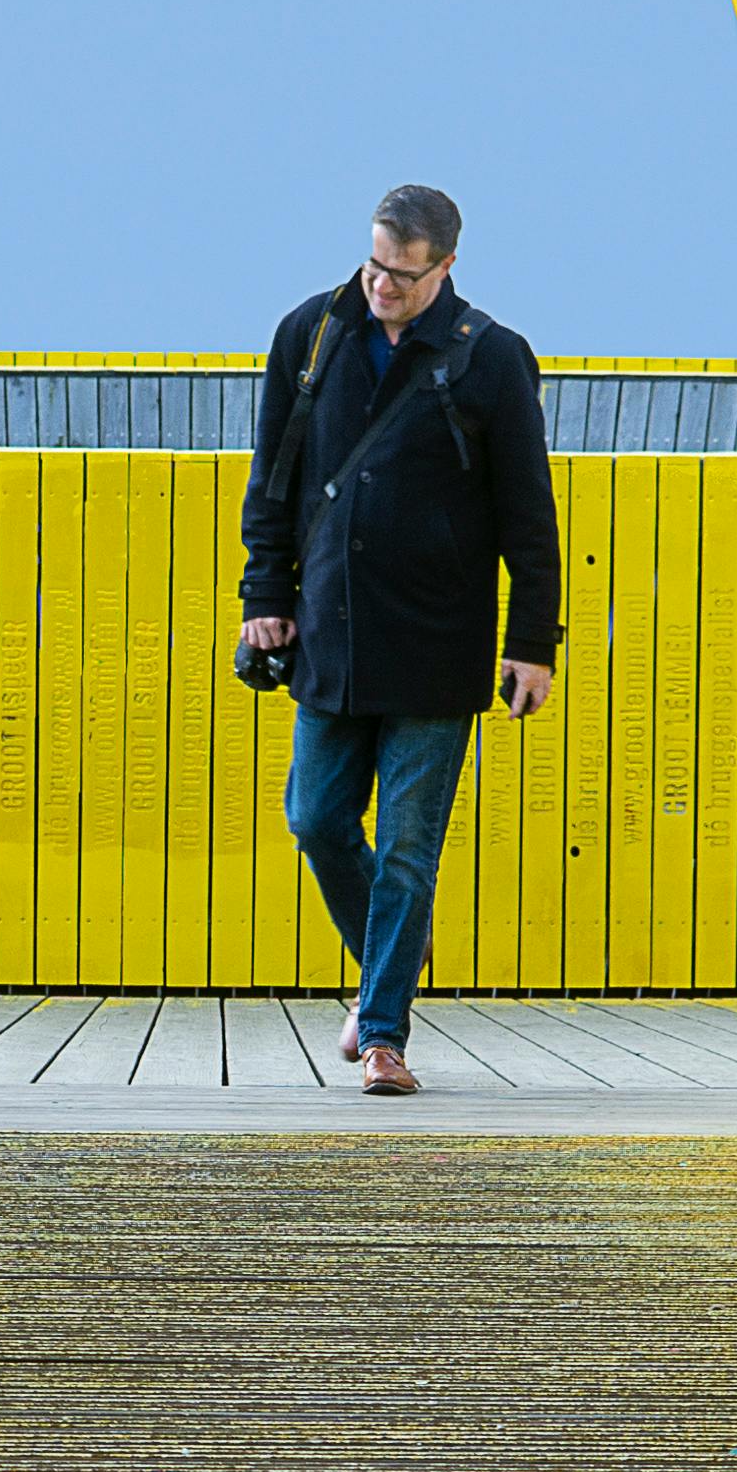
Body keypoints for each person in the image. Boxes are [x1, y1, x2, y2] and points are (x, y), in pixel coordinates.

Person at [238, 183, 560, 1095]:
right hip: (329, 633)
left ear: (446, 267)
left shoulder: (493, 358)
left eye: (405, 275)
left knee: (409, 852)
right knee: (315, 819)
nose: (382, 285)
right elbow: (273, 479)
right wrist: (265, 592)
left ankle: (383, 1036)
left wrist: (532, 643)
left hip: (437, 642)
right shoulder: (310, 334)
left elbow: (528, 514)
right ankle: (392, 955)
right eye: (375, 265)